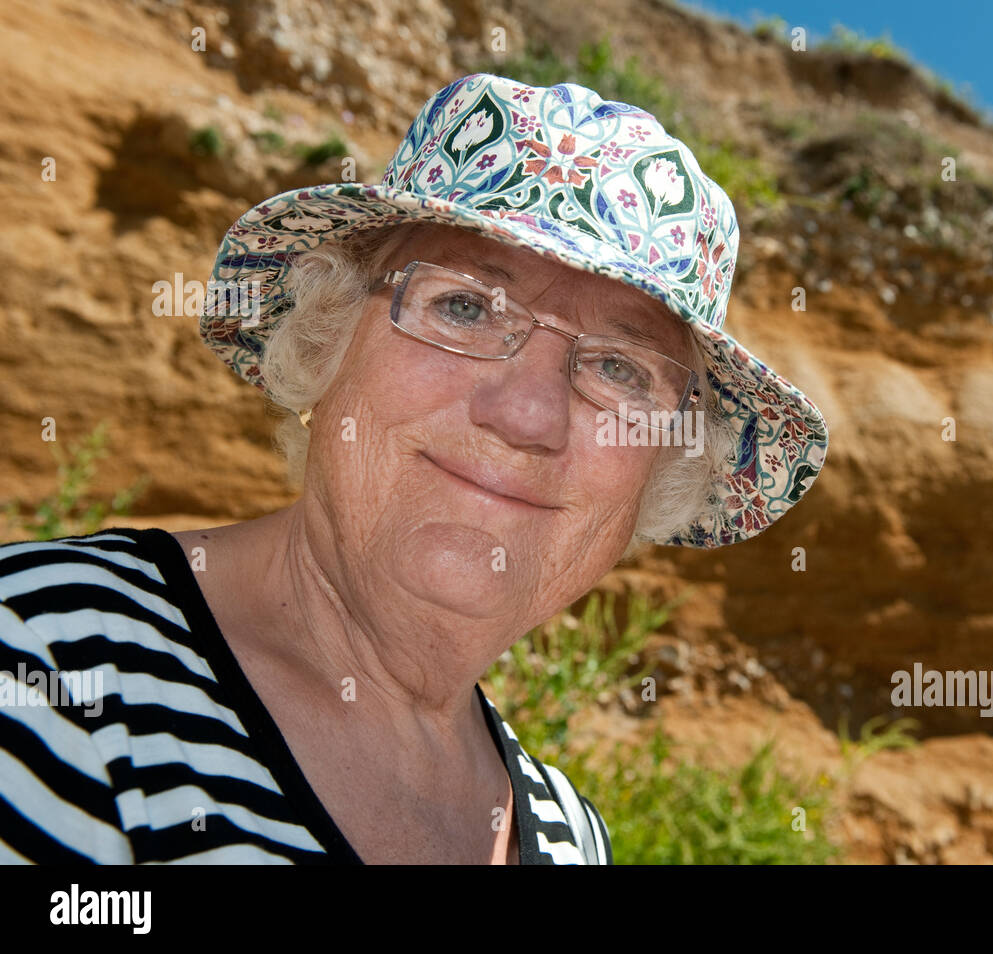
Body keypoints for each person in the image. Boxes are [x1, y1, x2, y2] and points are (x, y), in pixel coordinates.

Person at [0, 73, 828, 864]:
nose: (528, 415)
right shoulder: (48, 656)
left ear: (658, 471)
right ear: (325, 340)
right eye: (463, 306)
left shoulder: (571, 834)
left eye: (620, 369)